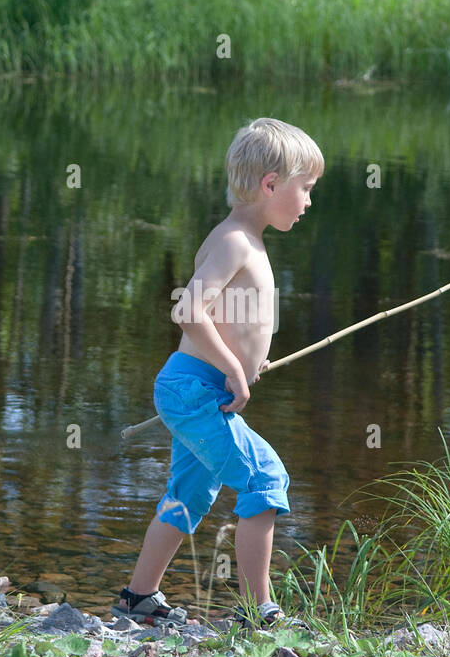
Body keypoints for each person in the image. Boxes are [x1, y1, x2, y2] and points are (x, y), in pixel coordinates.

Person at [115, 118, 323, 628]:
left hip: (197, 387)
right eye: (306, 188)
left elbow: (228, 319)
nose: (308, 202)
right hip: (195, 388)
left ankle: (139, 597)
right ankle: (258, 610)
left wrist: (247, 364)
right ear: (271, 184)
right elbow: (188, 312)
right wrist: (234, 367)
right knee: (265, 478)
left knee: (187, 494)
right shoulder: (235, 242)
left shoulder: (244, 240)